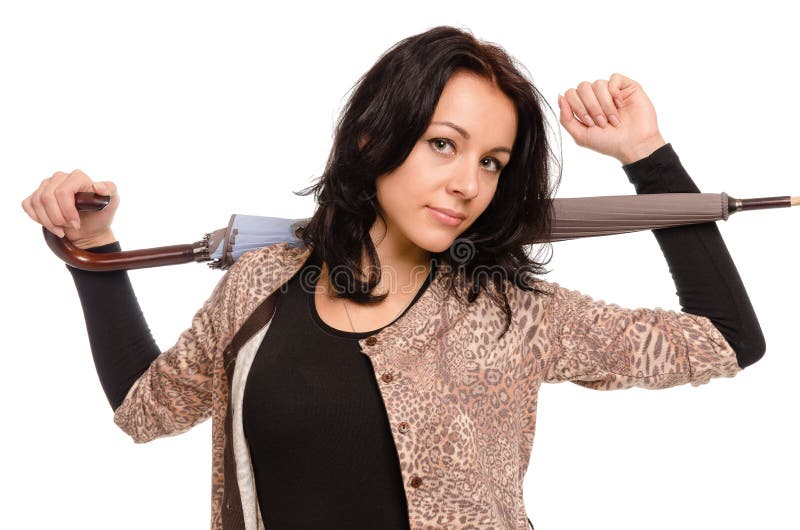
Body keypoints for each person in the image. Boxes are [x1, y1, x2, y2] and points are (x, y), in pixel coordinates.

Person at [21, 25, 764, 530]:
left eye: (491, 163)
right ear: (376, 135)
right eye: (444, 143)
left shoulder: (510, 312)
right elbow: (142, 409)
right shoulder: (259, 288)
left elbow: (727, 339)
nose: (469, 183)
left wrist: (648, 156)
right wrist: (94, 252)